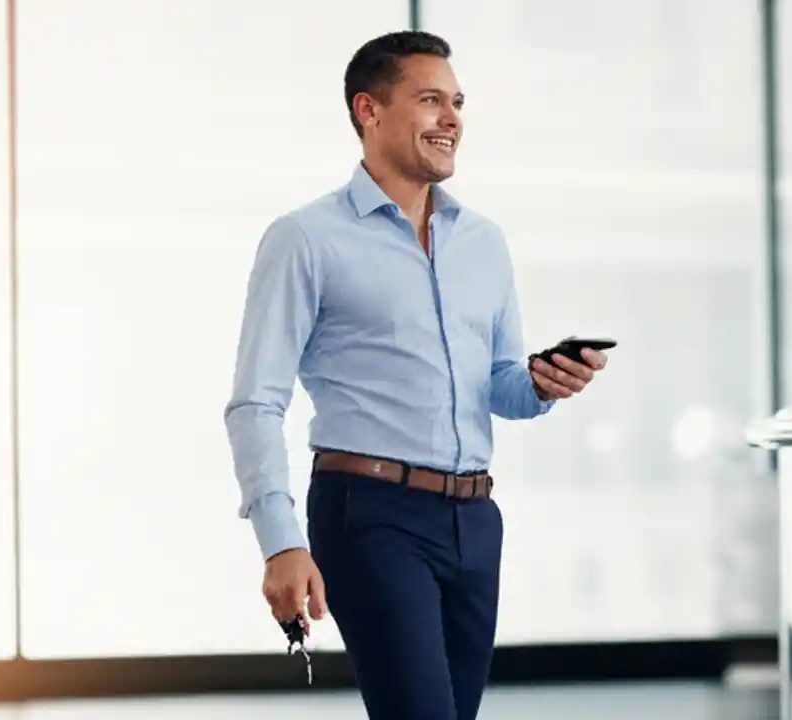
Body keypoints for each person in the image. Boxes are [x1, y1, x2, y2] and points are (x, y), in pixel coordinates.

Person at [224, 30, 608, 720]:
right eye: (430, 99)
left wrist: (544, 383)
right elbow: (255, 402)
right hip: (370, 515)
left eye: (457, 102)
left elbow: (499, 386)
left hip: (474, 520)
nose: (453, 118)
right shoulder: (307, 238)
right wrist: (281, 542)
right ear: (368, 110)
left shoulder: (484, 242)